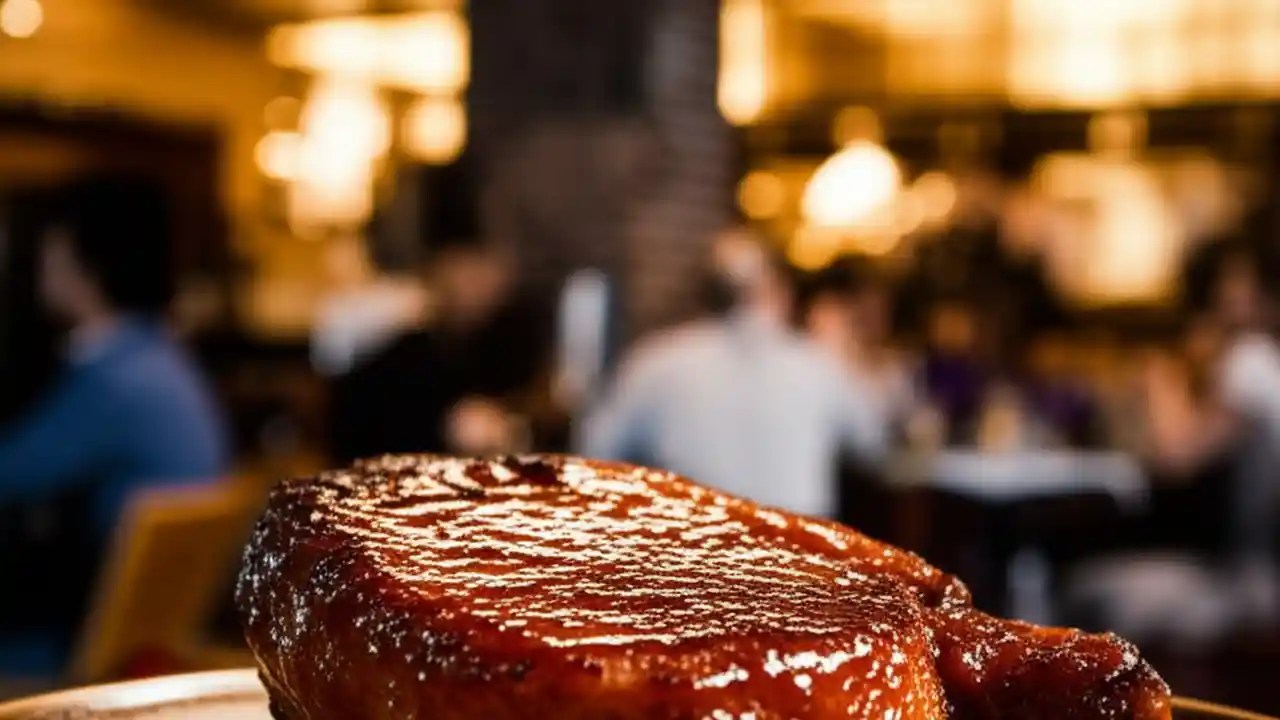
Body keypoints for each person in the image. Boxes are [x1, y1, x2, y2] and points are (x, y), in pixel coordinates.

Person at [0, 176, 228, 669]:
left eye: (51, 250)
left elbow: (11, 472)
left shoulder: (115, 378)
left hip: (88, 654)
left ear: (85, 267)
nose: (39, 264)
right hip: (153, 638)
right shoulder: (163, 358)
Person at [580, 228, 887, 518]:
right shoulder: (817, 362)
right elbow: (874, 443)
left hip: (694, 549)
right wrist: (848, 353)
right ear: (774, 290)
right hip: (798, 553)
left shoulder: (655, 360)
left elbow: (594, 449)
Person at [331, 243, 549, 461]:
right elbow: (358, 422)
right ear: (438, 272)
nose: (479, 284)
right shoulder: (403, 350)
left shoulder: (516, 340)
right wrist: (444, 427)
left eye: (485, 269)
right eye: (467, 272)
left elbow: (542, 406)